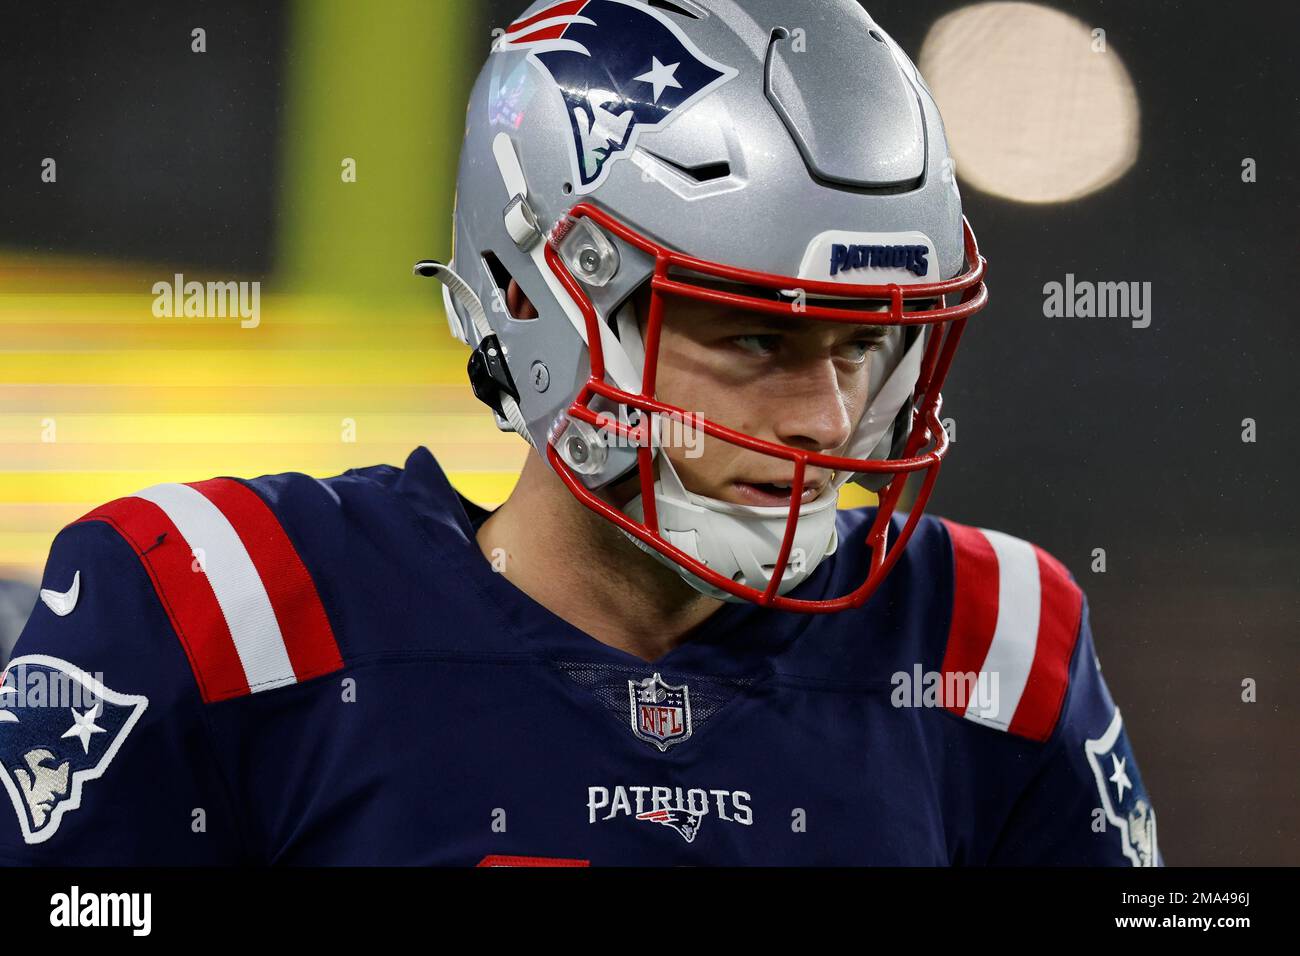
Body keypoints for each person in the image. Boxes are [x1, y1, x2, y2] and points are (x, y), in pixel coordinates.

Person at [0, 0, 1160, 865]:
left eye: (862, 346)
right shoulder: (222, 612)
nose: (827, 417)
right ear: (537, 302)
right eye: (755, 342)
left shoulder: (993, 652)